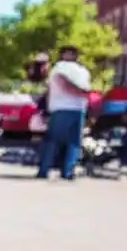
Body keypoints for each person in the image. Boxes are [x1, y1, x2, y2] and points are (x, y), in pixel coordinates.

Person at [36, 45, 92, 180]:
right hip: (74, 108)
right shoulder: (78, 70)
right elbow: (65, 83)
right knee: (70, 141)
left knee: (56, 140)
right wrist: (81, 93)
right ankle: (66, 170)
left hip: (64, 108)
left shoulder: (62, 67)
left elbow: (61, 83)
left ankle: (48, 169)